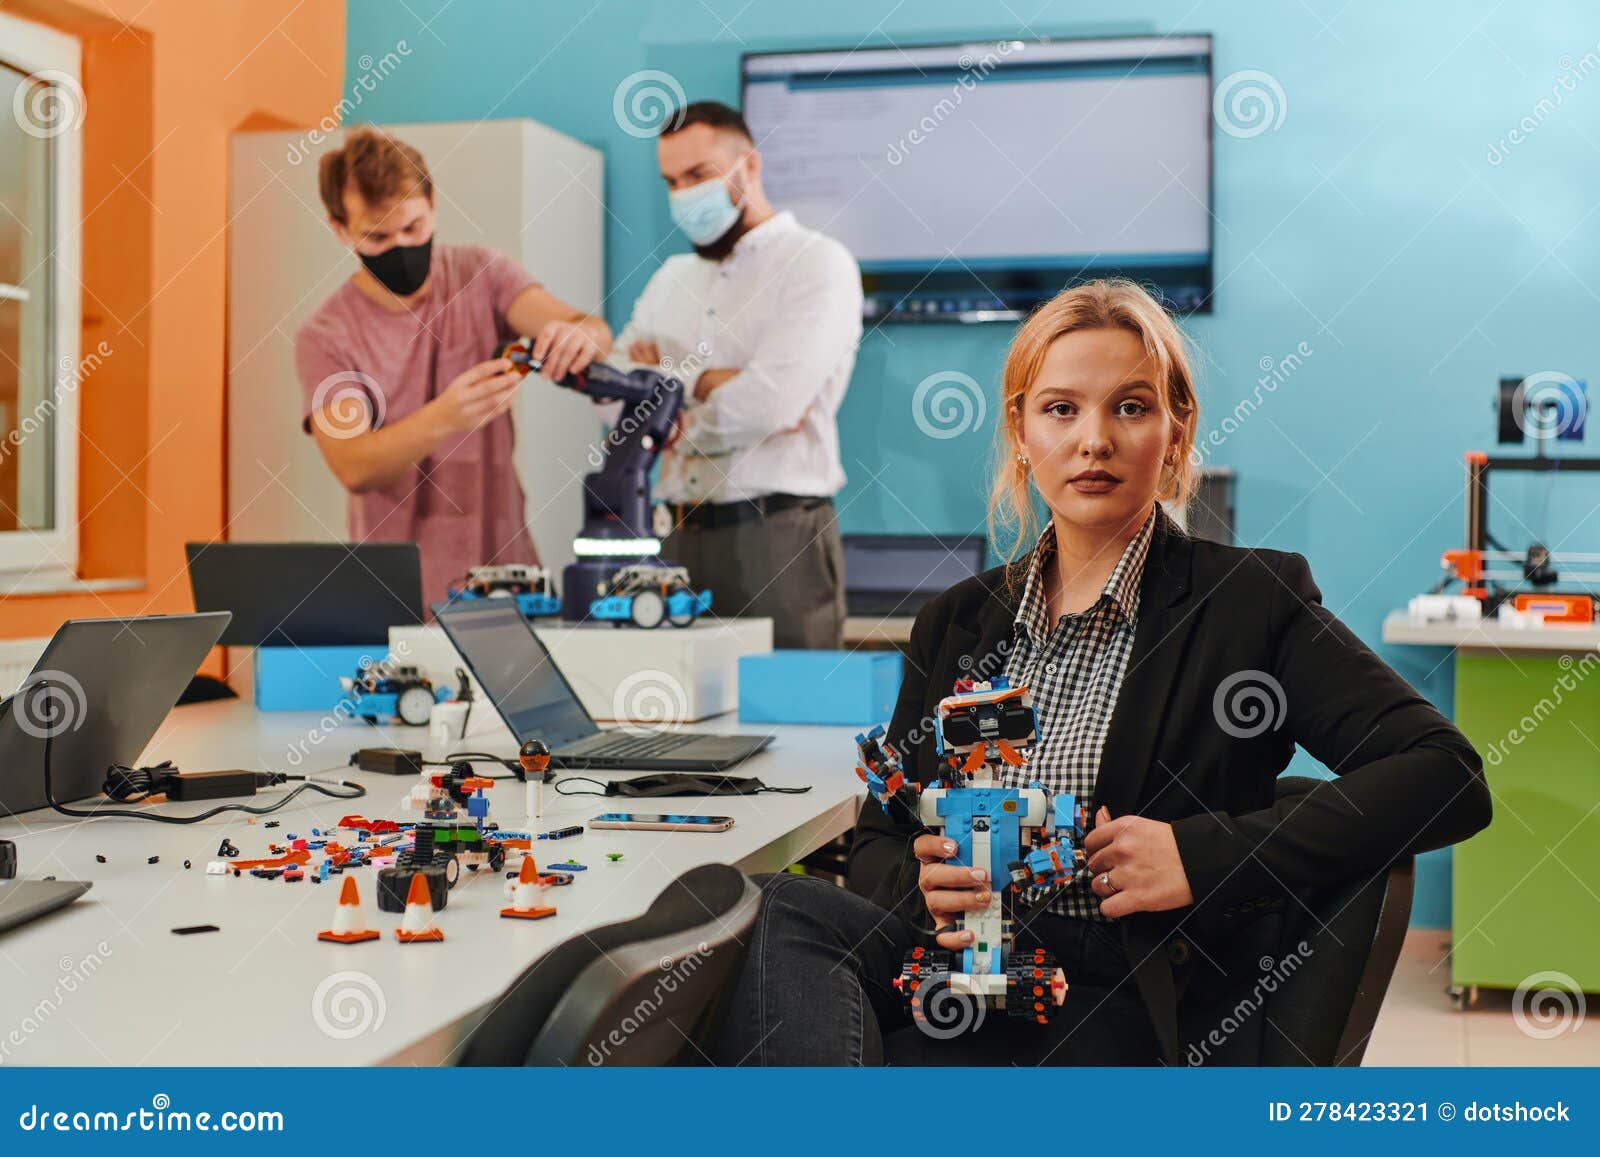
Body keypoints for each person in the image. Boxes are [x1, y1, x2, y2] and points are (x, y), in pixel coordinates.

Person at [710, 279, 1492, 1066]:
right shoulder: (956, 618)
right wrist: (924, 881)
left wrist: (1203, 854)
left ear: (1175, 432)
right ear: (1019, 431)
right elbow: (885, 833)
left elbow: (1447, 774)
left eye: (1130, 406)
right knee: (774, 910)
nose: (1094, 440)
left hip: (1118, 992)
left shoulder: (1250, 602)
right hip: (966, 963)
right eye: (1059, 409)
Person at [294, 127, 612, 604]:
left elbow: (591, 330)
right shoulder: (327, 335)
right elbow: (354, 464)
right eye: (376, 236)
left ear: (434, 203)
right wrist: (448, 415)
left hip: (507, 576)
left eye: (413, 228)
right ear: (339, 229)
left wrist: (578, 336)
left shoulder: (481, 275)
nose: (401, 246)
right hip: (398, 590)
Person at [615, 101, 862, 649]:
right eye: (671, 181)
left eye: (698, 175)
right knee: (675, 718)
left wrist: (671, 395)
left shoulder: (818, 263)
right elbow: (618, 382)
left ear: (748, 165)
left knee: (792, 714)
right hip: (673, 538)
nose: (682, 194)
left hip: (776, 537)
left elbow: (768, 404)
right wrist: (712, 382)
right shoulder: (671, 276)